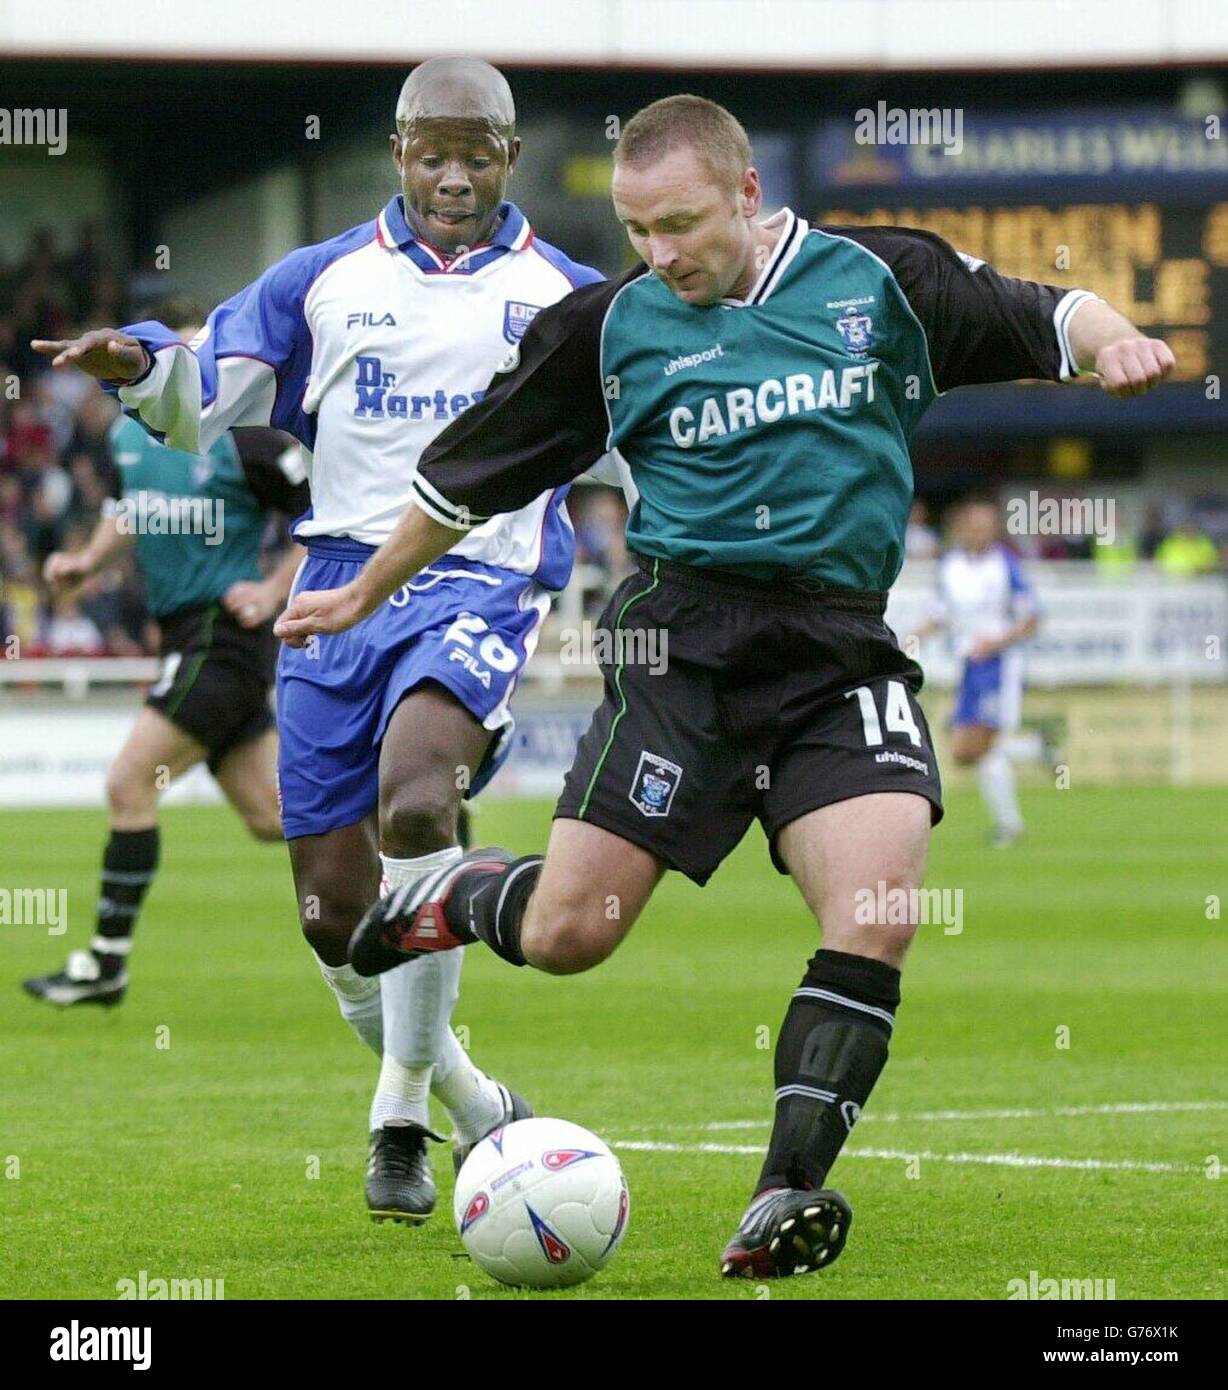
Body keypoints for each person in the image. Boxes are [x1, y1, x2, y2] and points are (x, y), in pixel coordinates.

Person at [275, 93, 1174, 1279]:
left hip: (837, 654)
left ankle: (784, 1195)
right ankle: (449, 899)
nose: (660, 255)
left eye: (682, 225)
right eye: (639, 230)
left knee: (879, 912)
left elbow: (1050, 310)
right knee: (563, 938)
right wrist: (356, 591)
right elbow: (463, 482)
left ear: (747, 197)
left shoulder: (877, 283)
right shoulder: (609, 329)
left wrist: (1112, 342)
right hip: (681, 657)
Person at [33, 60, 603, 1227]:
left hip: (480, 582)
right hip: (336, 591)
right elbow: (204, 392)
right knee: (335, 922)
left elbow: (659, 431)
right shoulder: (319, 279)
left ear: (510, 155)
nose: (454, 176)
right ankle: (472, 1095)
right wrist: (135, 360)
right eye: (431, 152)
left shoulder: (575, 296)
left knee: (415, 803)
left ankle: (397, 1121)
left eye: (478, 152)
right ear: (397, 151)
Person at [24, 297, 305, 1007]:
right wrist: (86, 562)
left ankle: (104, 964)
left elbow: (332, 517)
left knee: (128, 785)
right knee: (274, 817)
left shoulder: (252, 441)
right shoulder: (130, 433)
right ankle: (405, 818)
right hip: (184, 635)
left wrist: (273, 590)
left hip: (225, 637)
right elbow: (129, 513)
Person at [930, 497, 1040, 847]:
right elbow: (939, 614)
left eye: (985, 524)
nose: (978, 531)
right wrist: (905, 640)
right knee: (964, 752)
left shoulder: (1005, 565)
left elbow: (1031, 618)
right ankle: (1035, 748)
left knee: (981, 747)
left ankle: (1010, 826)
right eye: (973, 524)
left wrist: (995, 643)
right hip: (969, 665)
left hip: (997, 665)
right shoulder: (950, 566)